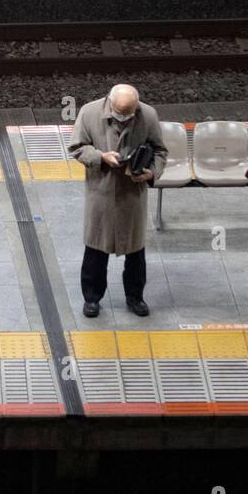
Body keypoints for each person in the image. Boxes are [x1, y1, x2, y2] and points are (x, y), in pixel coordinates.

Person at [67, 84, 168, 318]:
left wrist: (151, 173)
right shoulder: (90, 112)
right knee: (95, 249)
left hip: (133, 193)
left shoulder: (148, 114)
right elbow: (76, 147)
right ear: (109, 102)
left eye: (129, 113)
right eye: (119, 113)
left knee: (135, 251)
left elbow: (160, 151)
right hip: (101, 191)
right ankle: (92, 298)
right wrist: (101, 157)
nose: (124, 118)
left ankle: (135, 297)